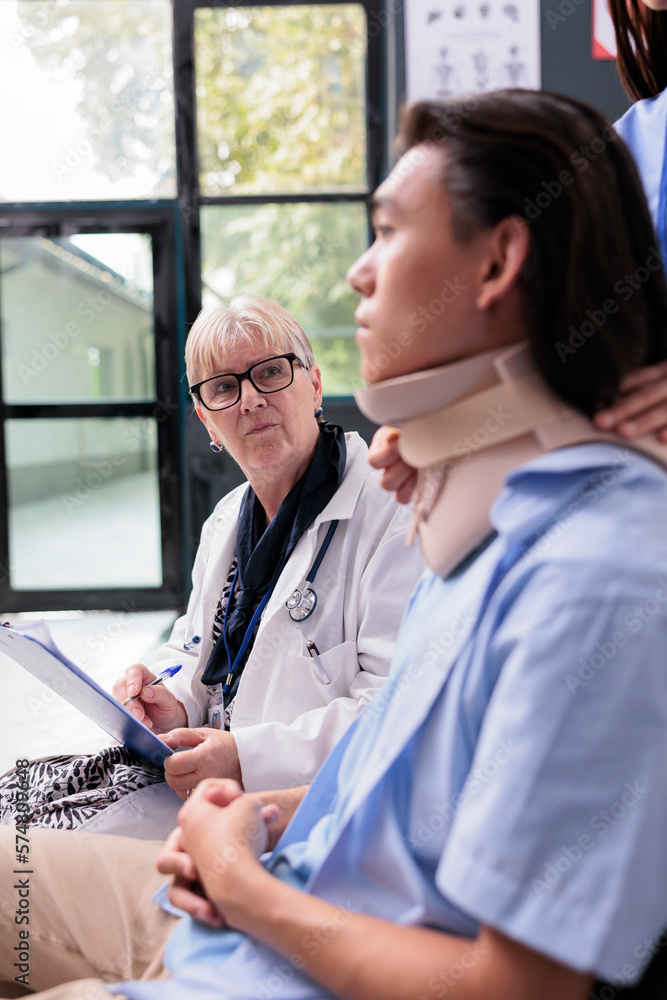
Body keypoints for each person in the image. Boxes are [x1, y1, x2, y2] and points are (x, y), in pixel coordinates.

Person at [2, 89, 667, 1000]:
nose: (359, 273)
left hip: (270, 954)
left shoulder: (591, 570)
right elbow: (394, 783)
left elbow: (516, 989)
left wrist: (241, 876)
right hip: (266, 891)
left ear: (500, 258)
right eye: (221, 391)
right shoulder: (480, 533)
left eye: (387, 232)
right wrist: (249, 822)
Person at [0, 296, 421, 838]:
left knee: (30, 860)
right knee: (17, 815)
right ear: (207, 421)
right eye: (223, 387)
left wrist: (245, 754)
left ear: (314, 385)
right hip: (200, 785)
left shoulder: (390, 512)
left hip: (309, 814)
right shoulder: (226, 519)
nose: (249, 400)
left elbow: (397, 712)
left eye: (270, 372)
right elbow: (193, 650)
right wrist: (169, 701)